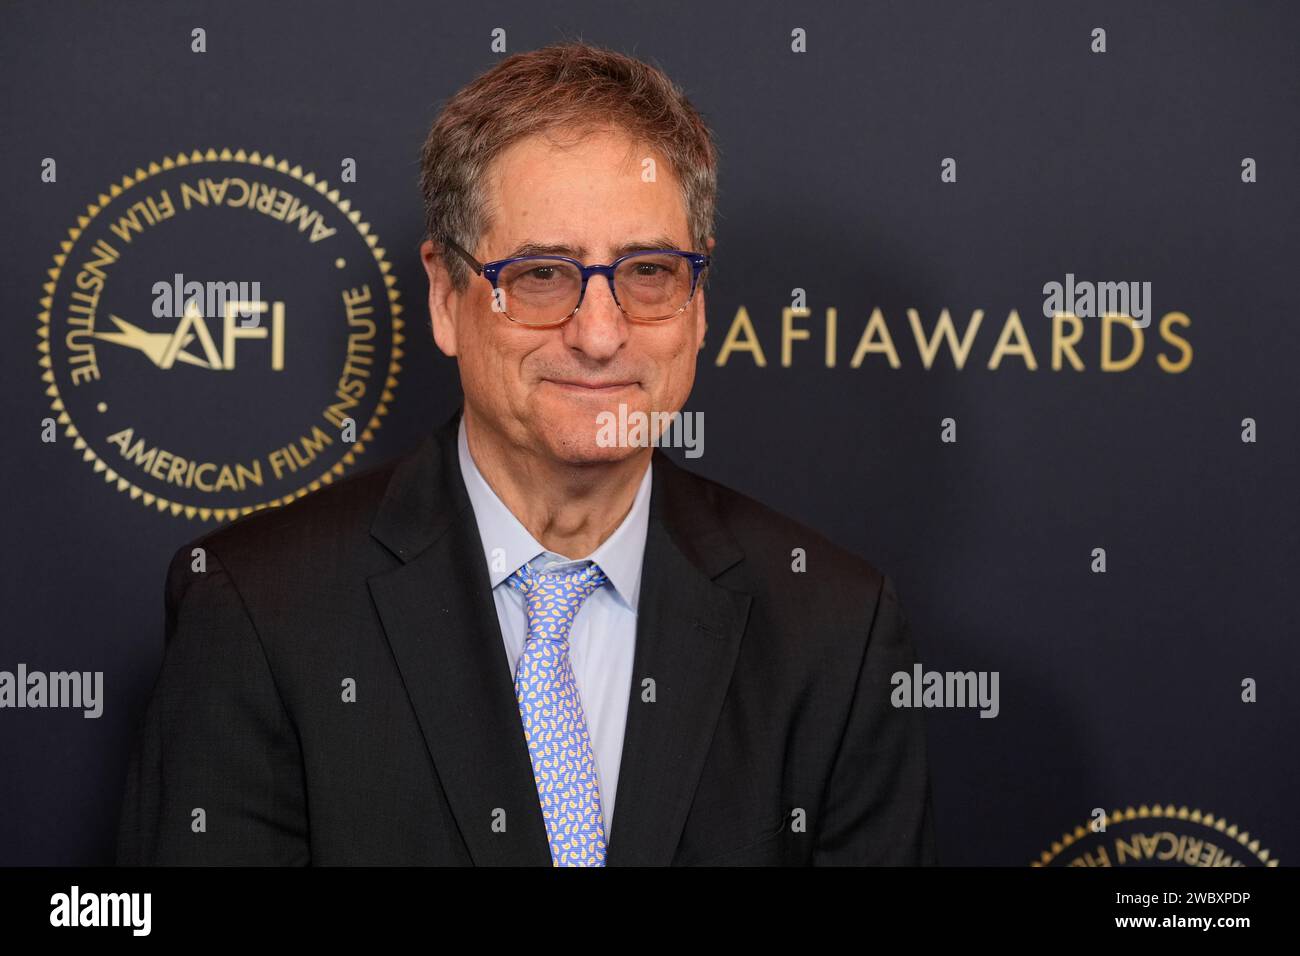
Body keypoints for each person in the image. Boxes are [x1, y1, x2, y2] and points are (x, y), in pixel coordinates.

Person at [116, 41, 937, 866]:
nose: (601, 333)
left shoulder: (833, 627)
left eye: (648, 271)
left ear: (697, 304)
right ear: (445, 297)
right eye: (542, 275)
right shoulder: (259, 610)